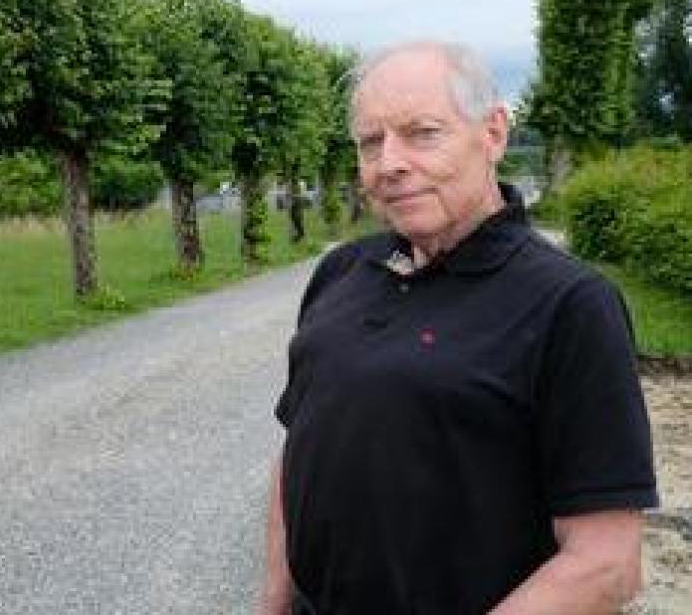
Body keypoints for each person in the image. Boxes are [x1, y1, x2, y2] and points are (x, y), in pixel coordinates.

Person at [261, 40, 659, 614]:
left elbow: (606, 562)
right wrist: (271, 604)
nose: (390, 163)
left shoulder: (569, 303)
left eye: (422, 132)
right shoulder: (341, 272)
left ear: (493, 133)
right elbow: (298, 449)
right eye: (371, 142)